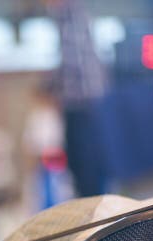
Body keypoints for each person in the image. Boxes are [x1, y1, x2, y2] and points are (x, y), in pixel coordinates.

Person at [43, 0, 108, 197]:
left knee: (85, 172)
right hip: (86, 106)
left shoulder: (69, 16)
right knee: (84, 171)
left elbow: (75, 63)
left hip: (82, 107)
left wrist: (50, 88)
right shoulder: (72, 16)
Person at [21, 81, 74, 212]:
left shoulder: (56, 116)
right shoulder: (36, 117)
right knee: (37, 198)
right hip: (40, 166)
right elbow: (30, 145)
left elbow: (58, 143)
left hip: (55, 165)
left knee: (59, 196)